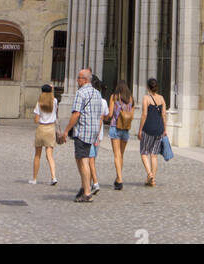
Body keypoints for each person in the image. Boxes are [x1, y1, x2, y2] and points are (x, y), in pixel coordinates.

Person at [63, 67, 105, 203]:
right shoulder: (97, 93)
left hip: (82, 131)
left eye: (79, 78)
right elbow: (100, 115)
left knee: (83, 160)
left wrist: (66, 130)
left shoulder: (81, 93)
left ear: (85, 80)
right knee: (81, 158)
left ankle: (87, 192)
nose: (77, 80)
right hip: (93, 131)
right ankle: (84, 186)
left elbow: (76, 114)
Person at [138, 77, 167, 187]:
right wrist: (165, 129)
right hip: (159, 129)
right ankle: (152, 180)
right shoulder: (162, 98)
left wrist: (140, 129)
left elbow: (144, 114)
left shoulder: (146, 98)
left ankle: (150, 174)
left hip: (148, 128)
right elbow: (164, 115)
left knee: (144, 152)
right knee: (154, 155)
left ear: (147, 87)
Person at [107, 81, 135, 191]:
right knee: (121, 154)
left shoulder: (114, 97)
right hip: (126, 129)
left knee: (116, 154)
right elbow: (132, 115)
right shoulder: (131, 99)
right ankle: (118, 178)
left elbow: (110, 114)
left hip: (115, 127)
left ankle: (120, 179)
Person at [31, 84, 58, 186]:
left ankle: (34, 178)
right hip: (51, 128)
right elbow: (52, 97)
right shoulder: (54, 101)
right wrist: (52, 89)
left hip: (41, 128)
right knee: (49, 155)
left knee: (37, 155)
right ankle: (53, 176)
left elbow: (36, 119)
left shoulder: (39, 103)